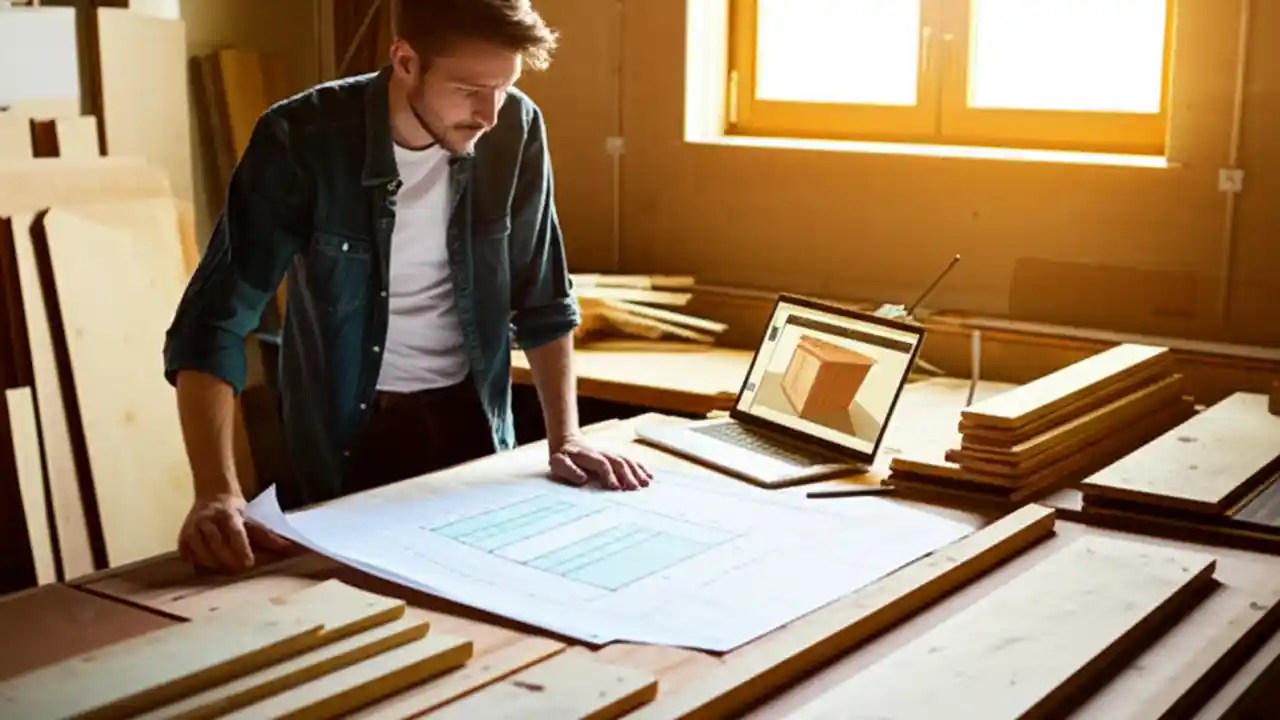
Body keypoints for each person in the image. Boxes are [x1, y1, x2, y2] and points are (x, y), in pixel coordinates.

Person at [163, 0, 652, 574]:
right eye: (470, 89)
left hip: (468, 423)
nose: (490, 114)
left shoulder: (516, 129)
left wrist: (565, 437)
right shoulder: (302, 138)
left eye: (504, 87)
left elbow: (543, 297)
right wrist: (217, 490)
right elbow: (214, 320)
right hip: (345, 432)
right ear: (405, 60)